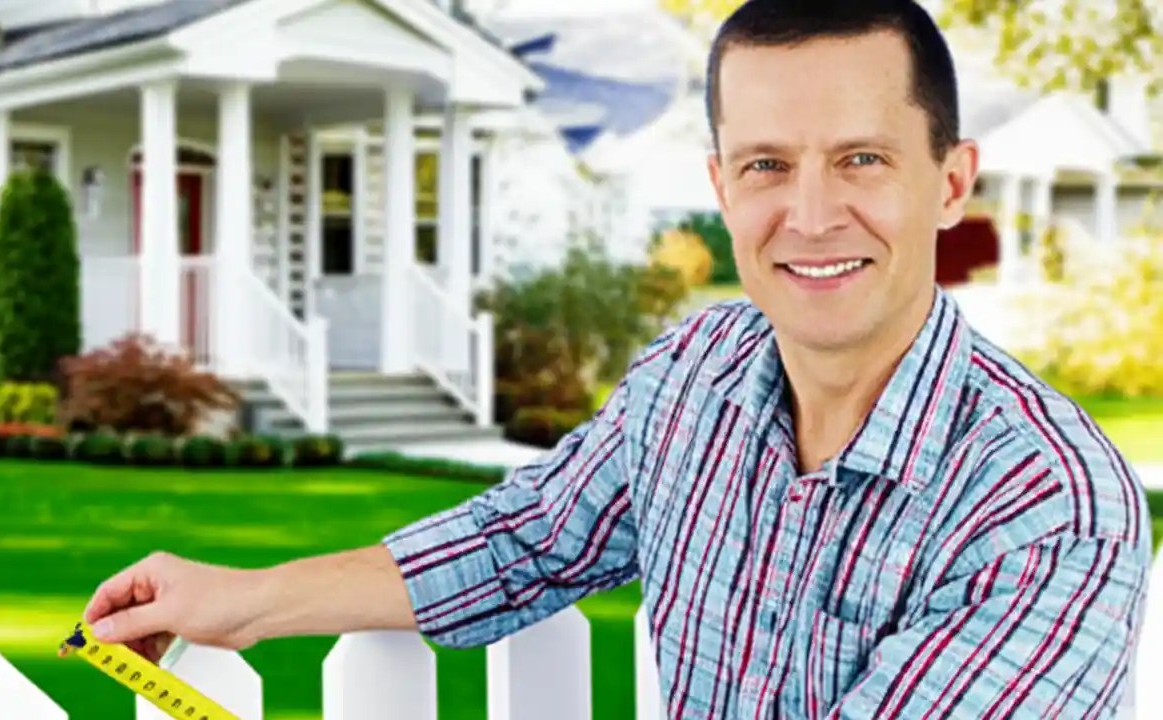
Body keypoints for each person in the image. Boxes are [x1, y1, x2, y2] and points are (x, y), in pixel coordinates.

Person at [82, 0, 1151, 716]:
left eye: (860, 160)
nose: (811, 215)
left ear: (950, 182)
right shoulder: (692, 377)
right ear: (723, 187)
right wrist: (252, 599)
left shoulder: (1043, 509)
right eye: (766, 166)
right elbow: (527, 539)